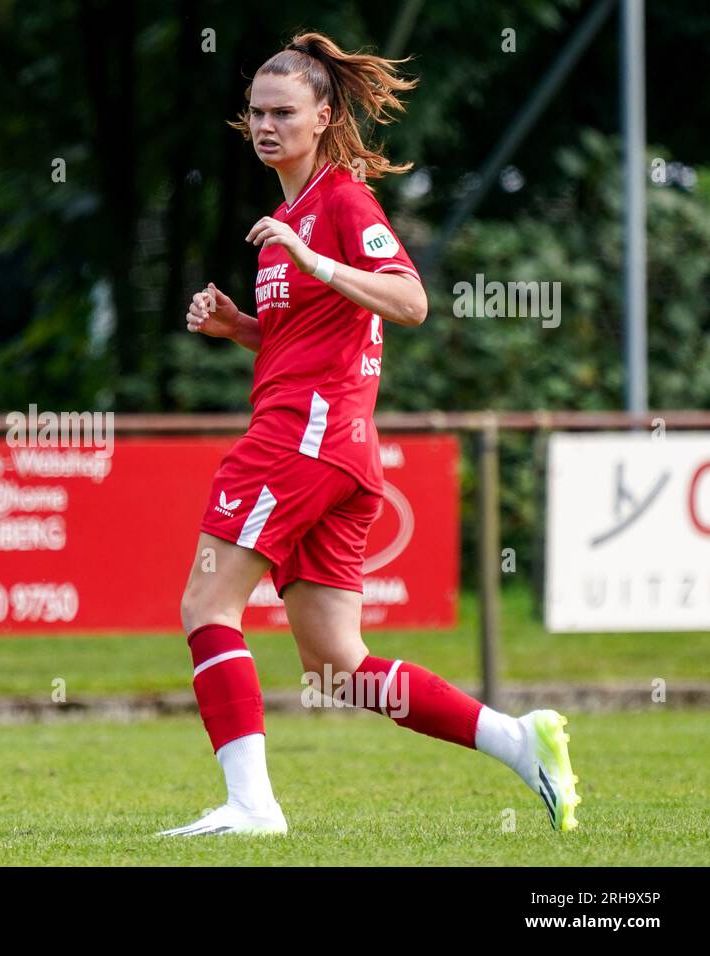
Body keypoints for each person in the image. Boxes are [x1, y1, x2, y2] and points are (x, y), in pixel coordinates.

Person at [162, 33, 580, 836]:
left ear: (324, 117)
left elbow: (410, 301)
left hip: (303, 439)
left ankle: (253, 807)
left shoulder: (340, 203)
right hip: (335, 449)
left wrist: (313, 259)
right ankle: (520, 742)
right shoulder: (288, 216)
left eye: (285, 111)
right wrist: (239, 328)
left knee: (206, 603)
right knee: (340, 668)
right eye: (256, 112)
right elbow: (312, 337)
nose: (266, 125)